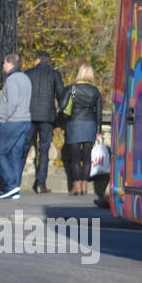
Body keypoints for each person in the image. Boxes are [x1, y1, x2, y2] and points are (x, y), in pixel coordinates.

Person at [23, 49, 64, 194]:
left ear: (37, 60)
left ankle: (15, 182)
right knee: (44, 151)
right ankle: (40, 184)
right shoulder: (54, 74)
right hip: (47, 116)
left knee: (24, 148)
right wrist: (61, 111)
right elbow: (61, 95)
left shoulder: (27, 74)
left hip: (29, 115)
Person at [60, 64, 104, 199]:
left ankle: (77, 187)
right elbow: (99, 114)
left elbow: (62, 106)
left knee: (75, 159)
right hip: (90, 125)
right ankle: (84, 187)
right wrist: (99, 131)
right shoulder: (95, 91)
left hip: (75, 124)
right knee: (86, 158)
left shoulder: (72, 88)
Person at [0, 54, 32, 199]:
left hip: (12, 121)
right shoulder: (25, 78)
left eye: (4, 63)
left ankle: (11, 185)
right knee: (16, 156)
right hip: (25, 121)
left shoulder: (12, 80)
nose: (3, 66)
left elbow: (12, 102)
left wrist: (2, 118)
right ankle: (14, 189)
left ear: (10, 64)